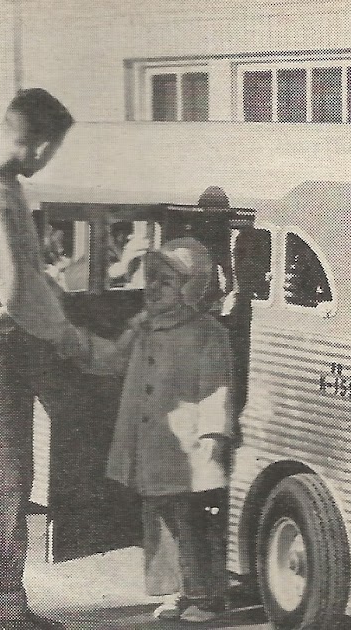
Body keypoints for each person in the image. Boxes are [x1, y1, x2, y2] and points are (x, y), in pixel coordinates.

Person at [0, 88, 92, 630]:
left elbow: (19, 273)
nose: (50, 161)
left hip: (3, 344)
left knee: (13, 479)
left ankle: (5, 606)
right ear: (39, 144)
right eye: (53, 151)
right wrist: (70, 338)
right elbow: (18, 291)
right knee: (4, 484)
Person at [84, 237, 236, 623]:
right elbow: (116, 360)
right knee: (160, 521)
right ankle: (174, 590)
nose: (152, 288)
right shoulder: (146, 327)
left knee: (193, 522)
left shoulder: (207, 333)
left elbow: (215, 390)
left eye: (165, 282)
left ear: (189, 290)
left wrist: (212, 440)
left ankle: (206, 594)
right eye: (150, 279)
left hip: (186, 451)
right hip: (151, 447)